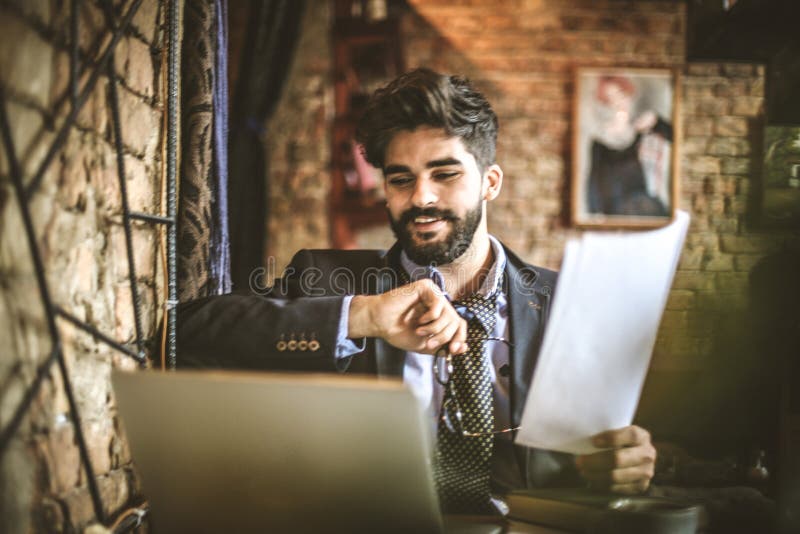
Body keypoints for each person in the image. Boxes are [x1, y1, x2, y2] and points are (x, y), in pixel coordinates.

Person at [177, 68, 656, 514]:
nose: (421, 197)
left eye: (445, 174)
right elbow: (186, 331)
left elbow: (610, 449)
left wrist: (626, 464)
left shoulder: (566, 304)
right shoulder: (325, 279)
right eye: (401, 179)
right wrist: (362, 316)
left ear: (490, 183)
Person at [586, 75, 673, 217]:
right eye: (610, 99)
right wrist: (595, 215)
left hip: (642, 204)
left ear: (629, 96)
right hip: (613, 210)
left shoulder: (643, 127)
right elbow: (593, 186)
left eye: (620, 95)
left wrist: (656, 122)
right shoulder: (600, 141)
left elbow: (677, 139)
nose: (617, 103)